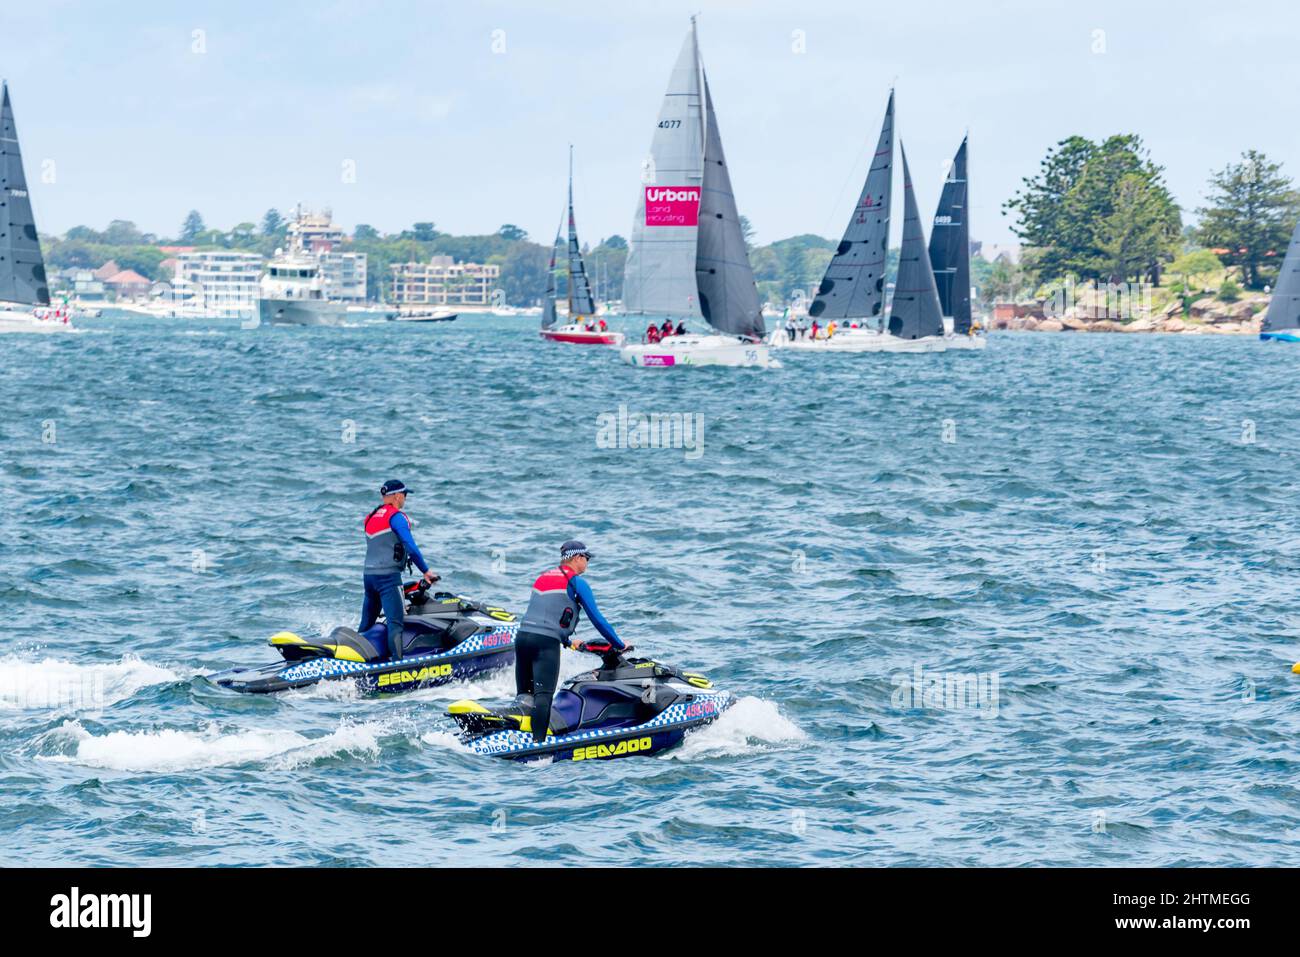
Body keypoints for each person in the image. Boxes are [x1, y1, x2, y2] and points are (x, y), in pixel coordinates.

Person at [515, 540, 623, 743]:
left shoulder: (543, 577)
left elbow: (545, 614)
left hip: (522, 639)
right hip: (545, 643)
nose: (588, 563)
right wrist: (618, 644)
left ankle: (516, 739)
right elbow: (597, 618)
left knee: (524, 697)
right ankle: (537, 749)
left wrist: (567, 641)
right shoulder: (576, 582)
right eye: (587, 558)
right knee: (543, 697)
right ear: (577, 558)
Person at [360, 479, 438, 660]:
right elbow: (410, 546)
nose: (405, 499)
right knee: (396, 624)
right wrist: (426, 571)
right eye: (405, 495)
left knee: (366, 624)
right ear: (396, 496)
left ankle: (355, 660)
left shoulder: (370, 517)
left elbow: (382, 546)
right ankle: (397, 665)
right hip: (388, 579)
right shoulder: (397, 517)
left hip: (368, 577)